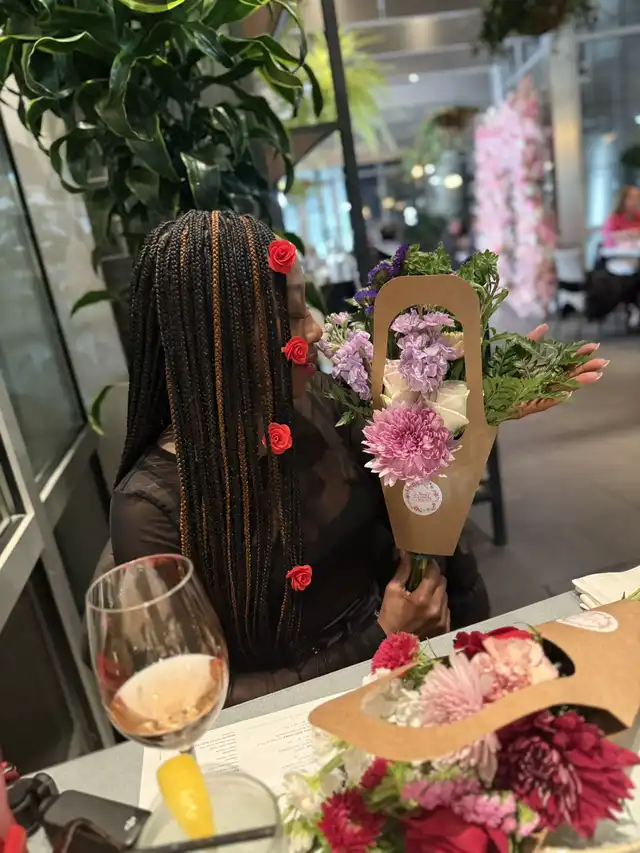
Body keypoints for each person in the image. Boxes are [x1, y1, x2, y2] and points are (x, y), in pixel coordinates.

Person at [110, 211, 607, 705]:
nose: (315, 330)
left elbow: (416, 511)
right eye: (292, 315)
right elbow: (195, 703)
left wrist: (470, 409)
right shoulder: (151, 511)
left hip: (408, 675)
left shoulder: (322, 406)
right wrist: (381, 636)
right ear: (221, 341)